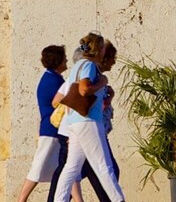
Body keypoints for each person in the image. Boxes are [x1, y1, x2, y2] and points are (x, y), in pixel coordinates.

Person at [51, 33, 125, 202]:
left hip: (74, 122)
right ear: (99, 49)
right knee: (104, 166)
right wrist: (103, 82)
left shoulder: (77, 66)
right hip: (88, 121)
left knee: (71, 168)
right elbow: (84, 90)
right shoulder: (89, 66)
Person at [15, 46, 70, 202]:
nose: (66, 60)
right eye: (64, 57)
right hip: (52, 130)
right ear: (58, 60)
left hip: (52, 130)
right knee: (38, 167)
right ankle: (22, 199)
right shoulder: (54, 81)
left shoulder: (50, 78)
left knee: (64, 170)